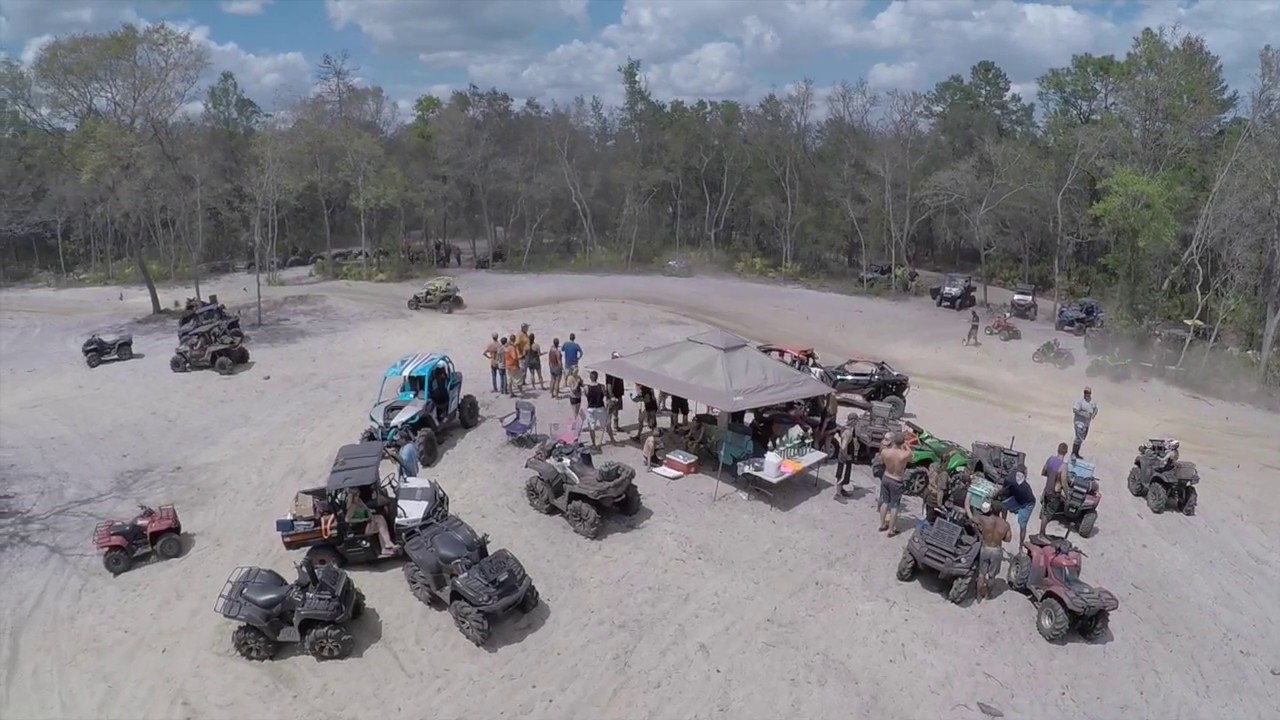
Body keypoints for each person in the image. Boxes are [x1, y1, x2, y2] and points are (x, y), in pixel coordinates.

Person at [970, 500, 1012, 602]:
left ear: (991, 509)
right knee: (992, 576)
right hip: (996, 549)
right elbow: (1008, 539)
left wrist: (979, 531)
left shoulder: (983, 519)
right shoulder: (1005, 524)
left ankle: (978, 596)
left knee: (981, 574)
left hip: (985, 547)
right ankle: (988, 595)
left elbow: (972, 519)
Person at [877, 432, 911, 536]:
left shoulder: (885, 452)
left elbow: (881, 461)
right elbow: (910, 455)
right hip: (897, 479)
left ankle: (882, 524)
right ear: (902, 442)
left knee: (884, 502)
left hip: (886, 477)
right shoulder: (904, 454)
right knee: (894, 506)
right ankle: (891, 530)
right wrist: (906, 445)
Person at [346, 491, 398, 559]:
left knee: (380, 522)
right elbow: (347, 519)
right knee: (380, 520)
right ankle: (387, 543)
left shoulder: (359, 501)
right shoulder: (352, 506)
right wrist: (362, 520)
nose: (358, 496)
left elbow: (366, 510)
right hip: (359, 527)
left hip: (367, 522)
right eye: (356, 495)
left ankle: (385, 548)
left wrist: (370, 517)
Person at [995, 465, 1037, 549]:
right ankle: (1004, 524)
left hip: (1027, 503)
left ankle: (1020, 546)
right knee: (1022, 525)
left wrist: (996, 494)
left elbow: (1004, 491)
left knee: (1022, 524)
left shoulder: (1010, 479)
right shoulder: (1024, 485)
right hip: (1022, 499)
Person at [1038, 442, 1070, 537]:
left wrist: (1051, 476)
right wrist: (1068, 494)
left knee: (1044, 512)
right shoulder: (1063, 466)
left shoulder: (1050, 459)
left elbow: (1043, 472)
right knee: (1048, 514)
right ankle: (1042, 534)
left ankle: (1042, 532)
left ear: (1058, 449)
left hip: (1047, 490)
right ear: (1066, 452)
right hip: (1054, 493)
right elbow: (1064, 483)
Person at [583, 370, 614, 447]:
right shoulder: (601, 386)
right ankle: (612, 439)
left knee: (592, 427)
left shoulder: (586, 387)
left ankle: (594, 443)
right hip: (600, 408)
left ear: (590, 378)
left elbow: (586, 395)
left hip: (590, 409)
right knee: (608, 424)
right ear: (597, 377)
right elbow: (606, 395)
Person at [1072, 386, 1099, 458]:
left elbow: (1096, 408)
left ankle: (1077, 453)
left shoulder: (1092, 401)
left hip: (1086, 424)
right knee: (1078, 438)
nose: (1086, 394)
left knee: (1081, 439)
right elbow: (1075, 410)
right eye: (1085, 392)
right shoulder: (1080, 401)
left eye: (1088, 393)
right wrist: (1084, 414)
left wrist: (1093, 415)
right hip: (1079, 422)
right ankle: (1073, 453)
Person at [833, 421, 856, 500]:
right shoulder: (848, 432)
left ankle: (841, 490)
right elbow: (843, 447)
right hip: (845, 457)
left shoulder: (847, 428)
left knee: (844, 474)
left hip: (845, 456)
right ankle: (838, 494)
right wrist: (846, 456)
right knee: (842, 475)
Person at [605, 356, 625, 432]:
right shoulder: (610, 371)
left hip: (618, 394)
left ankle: (615, 427)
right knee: (610, 412)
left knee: (616, 411)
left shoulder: (618, 369)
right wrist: (611, 396)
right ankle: (608, 428)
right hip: (612, 395)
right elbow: (609, 385)